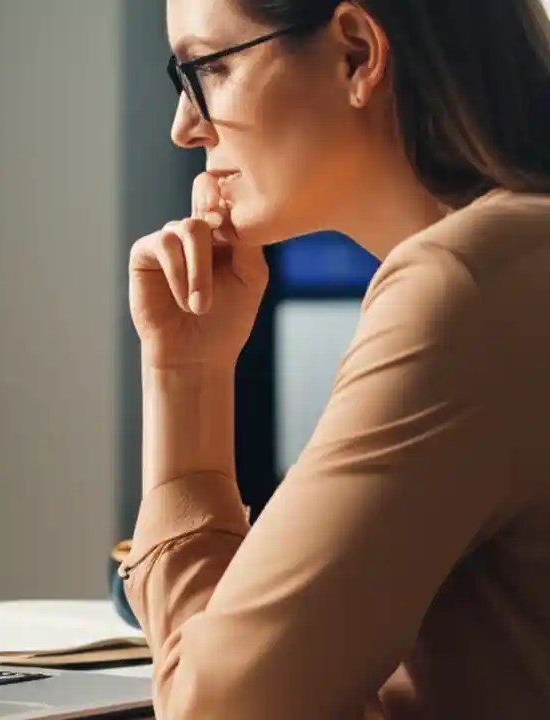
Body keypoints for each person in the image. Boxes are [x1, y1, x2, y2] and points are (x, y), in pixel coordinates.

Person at [119, 1, 550, 717]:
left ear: (356, 54)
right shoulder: (517, 260)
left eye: (208, 70)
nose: (185, 126)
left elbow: (220, 711)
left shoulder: (463, 286)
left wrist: (185, 379)